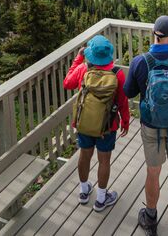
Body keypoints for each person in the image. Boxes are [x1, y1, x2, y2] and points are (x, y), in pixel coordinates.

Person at [124, 16, 168, 236]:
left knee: (153, 171)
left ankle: (151, 216)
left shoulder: (140, 61)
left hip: (151, 124)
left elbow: (129, 92)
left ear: (154, 34)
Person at [63, 34, 130, 212]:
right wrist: (126, 121)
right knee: (104, 160)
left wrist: (78, 58)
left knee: (84, 155)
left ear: (90, 54)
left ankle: (84, 191)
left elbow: (67, 83)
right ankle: (101, 199)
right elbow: (122, 101)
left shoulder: (83, 69)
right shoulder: (117, 74)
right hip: (107, 126)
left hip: (85, 123)